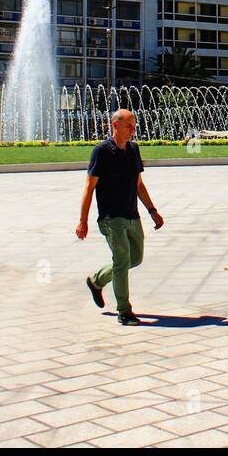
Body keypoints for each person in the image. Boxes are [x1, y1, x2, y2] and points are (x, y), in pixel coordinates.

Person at [76, 110, 164, 325]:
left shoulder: (133, 149)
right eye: (128, 126)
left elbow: (138, 185)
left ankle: (96, 281)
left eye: (134, 125)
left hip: (131, 214)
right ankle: (124, 311)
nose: (133, 130)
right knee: (122, 260)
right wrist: (83, 220)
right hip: (111, 217)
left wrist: (152, 210)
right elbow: (89, 187)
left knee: (135, 258)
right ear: (115, 125)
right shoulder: (102, 151)